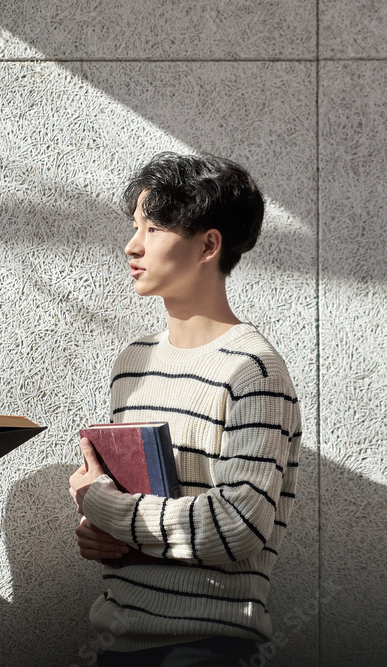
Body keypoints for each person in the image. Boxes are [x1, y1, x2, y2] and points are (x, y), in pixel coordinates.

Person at [69, 152, 302, 666]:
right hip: (115, 640)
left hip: (205, 649)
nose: (132, 246)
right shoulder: (132, 362)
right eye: (135, 226)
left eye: (152, 228)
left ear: (209, 245)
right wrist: (100, 532)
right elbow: (138, 505)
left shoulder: (254, 370)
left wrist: (104, 507)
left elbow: (237, 526)